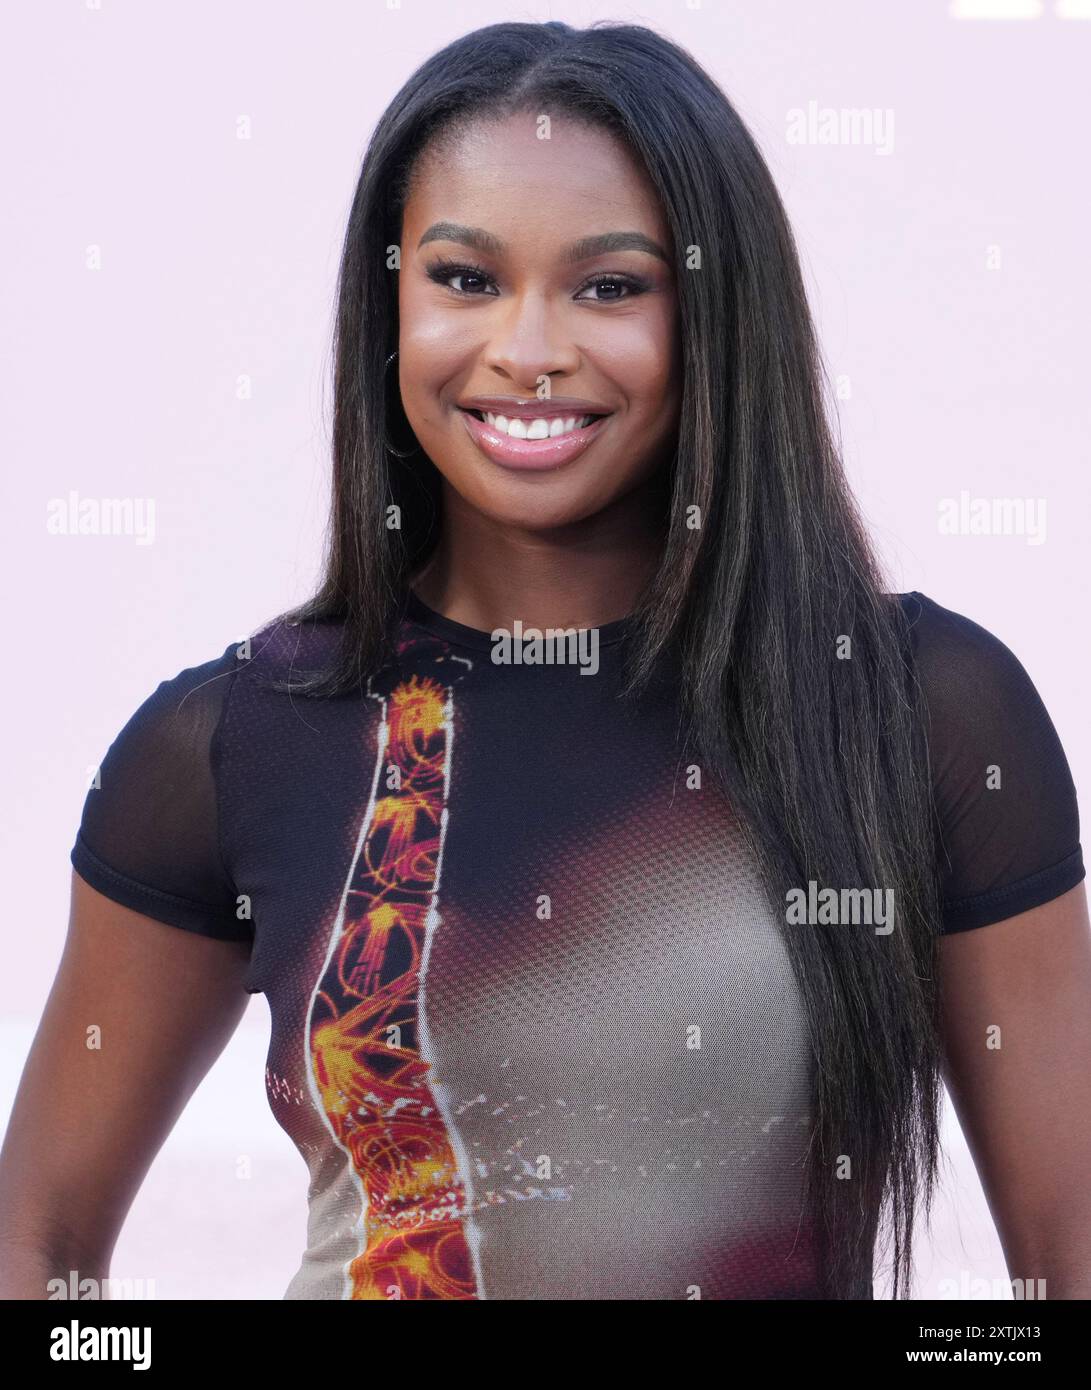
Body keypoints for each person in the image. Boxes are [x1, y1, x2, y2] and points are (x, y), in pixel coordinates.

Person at [2, 19, 1088, 1302]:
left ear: (713, 315)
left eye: (609, 286)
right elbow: (41, 1253)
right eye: (464, 279)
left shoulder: (918, 711)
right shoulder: (232, 739)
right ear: (387, 304)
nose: (527, 349)